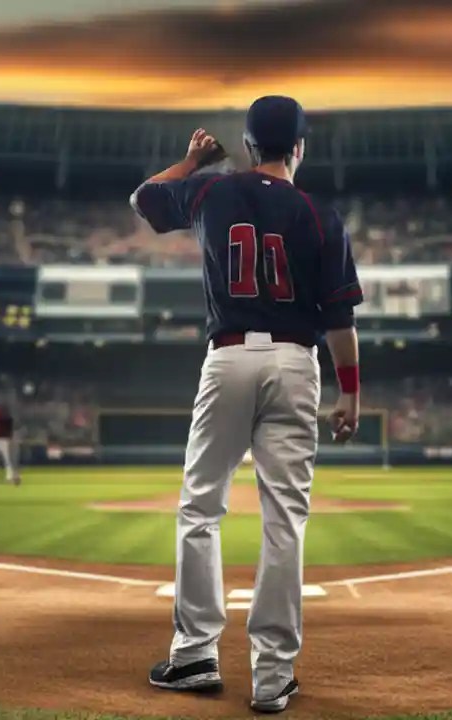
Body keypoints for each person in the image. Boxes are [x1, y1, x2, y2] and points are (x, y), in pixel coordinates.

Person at [131, 96, 362, 714]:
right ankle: (272, 676)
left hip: (228, 355)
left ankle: (195, 655)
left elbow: (145, 201)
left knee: (200, 506)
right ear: (299, 149)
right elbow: (339, 318)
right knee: (284, 516)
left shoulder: (211, 192)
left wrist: (189, 160)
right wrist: (351, 392)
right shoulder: (320, 214)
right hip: (296, 362)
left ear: (250, 145)